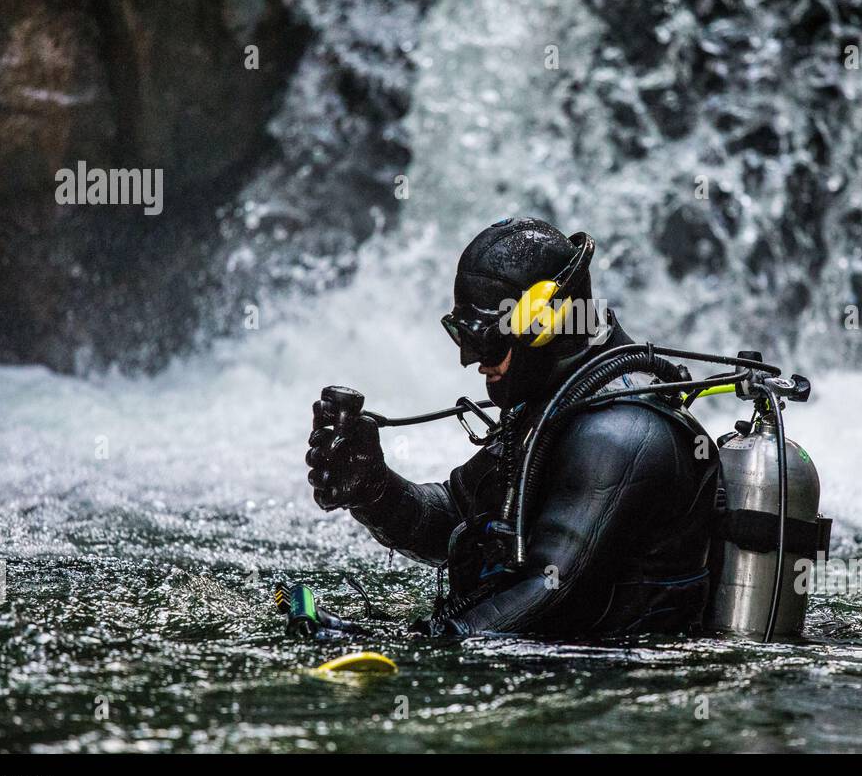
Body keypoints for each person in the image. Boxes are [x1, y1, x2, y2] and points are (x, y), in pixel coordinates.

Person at [305, 217, 719, 637]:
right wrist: (375, 490)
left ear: (542, 323)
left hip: (620, 689)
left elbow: (546, 587)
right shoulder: (551, 403)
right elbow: (455, 514)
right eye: (460, 334)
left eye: (486, 339)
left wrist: (415, 641)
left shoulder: (621, 433)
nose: (470, 359)